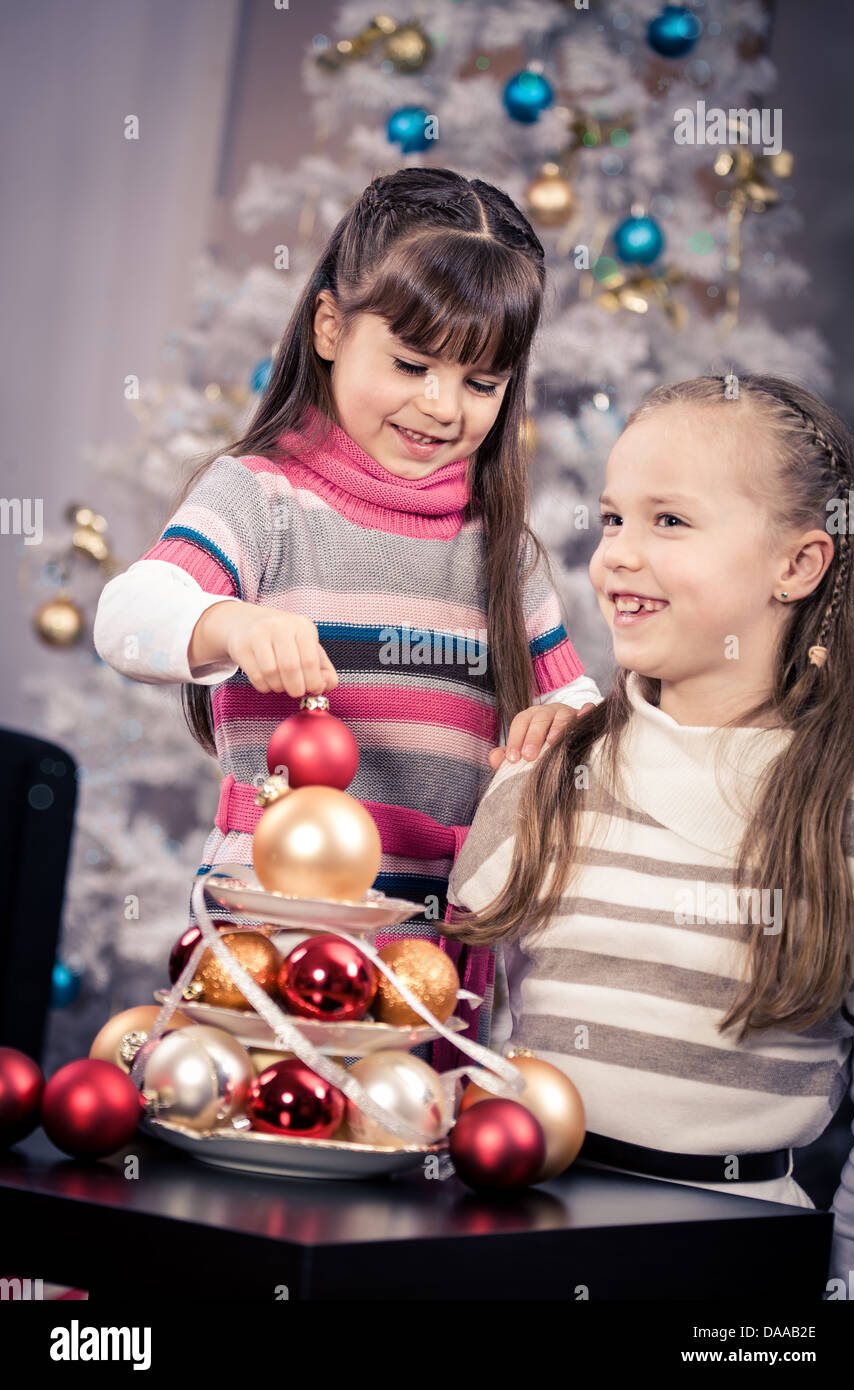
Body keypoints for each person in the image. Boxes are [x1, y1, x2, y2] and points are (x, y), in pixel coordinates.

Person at [93, 166, 602, 1066]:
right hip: (271, 920)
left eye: (481, 382)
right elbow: (129, 615)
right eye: (412, 365)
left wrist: (570, 729)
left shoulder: (503, 555)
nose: (442, 407)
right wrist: (232, 627)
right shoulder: (263, 498)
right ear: (330, 327)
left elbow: (585, 713)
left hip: (432, 953)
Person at [443, 373, 854, 1296]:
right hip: (515, 1247)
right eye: (613, 520)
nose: (618, 557)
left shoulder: (850, 812)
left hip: (735, 1271)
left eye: (669, 522)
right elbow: (461, 1019)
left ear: (798, 565)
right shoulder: (546, 771)